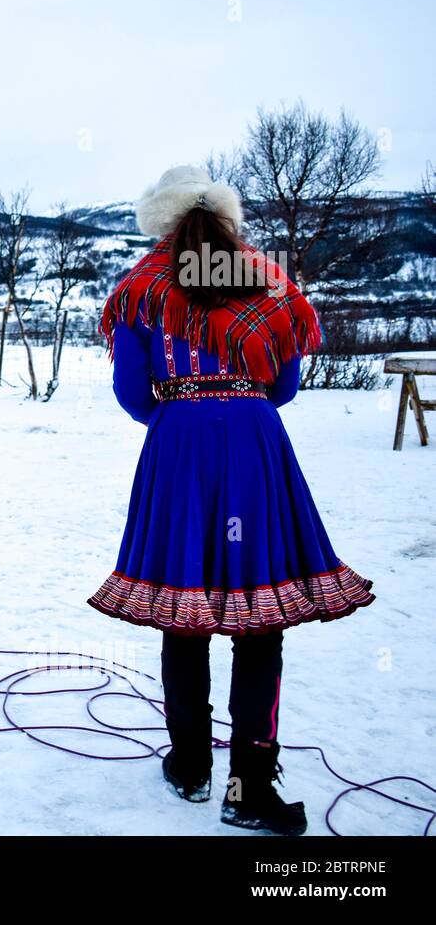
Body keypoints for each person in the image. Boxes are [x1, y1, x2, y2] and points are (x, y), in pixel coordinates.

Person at [88, 166, 375, 837]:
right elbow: (285, 388)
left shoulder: (138, 289)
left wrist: (185, 407)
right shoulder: (269, 283)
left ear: (159, 222)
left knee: (183, 606)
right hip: (253, 444)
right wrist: (236, 400)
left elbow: (133, 396)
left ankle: (189, 765)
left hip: (180, 448)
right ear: (226, 220)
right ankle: (249, 786)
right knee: (260, 613)